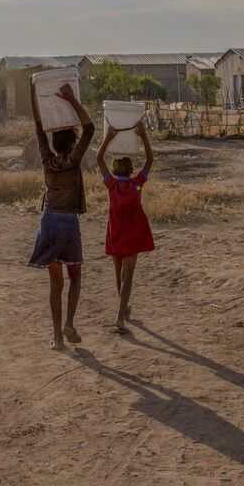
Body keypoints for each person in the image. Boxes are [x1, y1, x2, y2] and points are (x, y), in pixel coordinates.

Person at [28, 80, 95, 350]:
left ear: (53, 141)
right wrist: (70, 100)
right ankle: (69, 323)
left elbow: (38, 125)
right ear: (73, 142)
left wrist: (34, 93)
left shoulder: (47, 159)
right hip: (68, 222)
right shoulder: (73, 160)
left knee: (55, 285)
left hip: (48, 221)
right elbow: (89, 128)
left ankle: (57, 337)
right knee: (75, 278)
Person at [96, 122, 154, 334]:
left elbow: (99, 158)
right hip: (132, 235)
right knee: (128, 275)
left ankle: (124, 309)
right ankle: (120, 317)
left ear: (113, 170)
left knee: (119, 273)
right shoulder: (136, 184)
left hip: (115, 233)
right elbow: (150, 159)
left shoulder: (111, 185)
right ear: (131, 170)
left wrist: (108, 139)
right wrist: (144, 135)